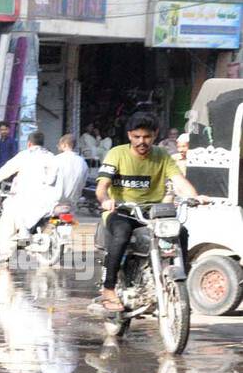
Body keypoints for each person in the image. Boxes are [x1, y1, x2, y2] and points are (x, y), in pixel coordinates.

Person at [93, 112, 201, 312]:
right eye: (137, 137)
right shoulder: (117, 153)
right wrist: (106, 200)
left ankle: (177, 282)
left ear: (155, 135)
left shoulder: (162, 155)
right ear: (129, 135)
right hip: (122, 211)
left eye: (147, 137)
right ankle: (108, 289)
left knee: (180, 232)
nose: (142, 142)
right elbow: (102, 187)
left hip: (154, 213)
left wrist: (196, 196)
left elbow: (179, 181)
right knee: (122, 234)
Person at [0, 130, 59, 261]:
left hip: (25, 198)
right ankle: (25, 236)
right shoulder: (51, 156)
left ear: (29, 143)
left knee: (6, 219)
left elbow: (7, 169)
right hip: (48, 200)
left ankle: (6, 252)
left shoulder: (24, 155)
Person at [54, 133, 89, 208]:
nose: (58, 147)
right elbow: (84, 181)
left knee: (54, 218)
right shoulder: (82, 162)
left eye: (59, 145)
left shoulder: (57, 159)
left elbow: (49, 180)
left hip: (56, 200)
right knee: (70, 217)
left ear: (64, 145)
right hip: (73, 200)